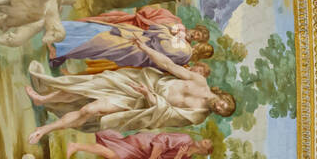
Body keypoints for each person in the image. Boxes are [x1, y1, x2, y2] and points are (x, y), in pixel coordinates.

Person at [25, 36, 235, 144]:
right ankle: (42, 99)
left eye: (222, 111)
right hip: (139, 81)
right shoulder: (199, 81)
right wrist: (145, 48)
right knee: (87, 87)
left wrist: (147, 95)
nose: (219, 107)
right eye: (223, 104)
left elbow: (163, 116)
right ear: (222, 96)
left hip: (139, 104)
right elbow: (170, 66)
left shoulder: (197, 116)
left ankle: (45, 130)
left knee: (89, 110)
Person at [47, 4, 210, 72]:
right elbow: (153, 18)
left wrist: (163, 31)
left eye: (199, 39)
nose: (196, 37)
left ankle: (60, 51)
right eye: (198, 33)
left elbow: (163, 44)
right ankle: (61, 32)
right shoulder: (180, 33)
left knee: (98, 44)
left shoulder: (184, 52)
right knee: (99, 30)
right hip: (135, 35)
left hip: (136, 49)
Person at [67, 130, 214, 159]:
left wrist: (178, 156)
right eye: (206, 140)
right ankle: (75, 146)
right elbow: (161, 138)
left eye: (207, 143)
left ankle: (76, 145)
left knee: (115, 154)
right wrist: (152, 157)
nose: (205, 140)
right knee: (115, 153)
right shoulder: (185, 139)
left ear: (204, 152)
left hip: (145, 156)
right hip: (145, 144)